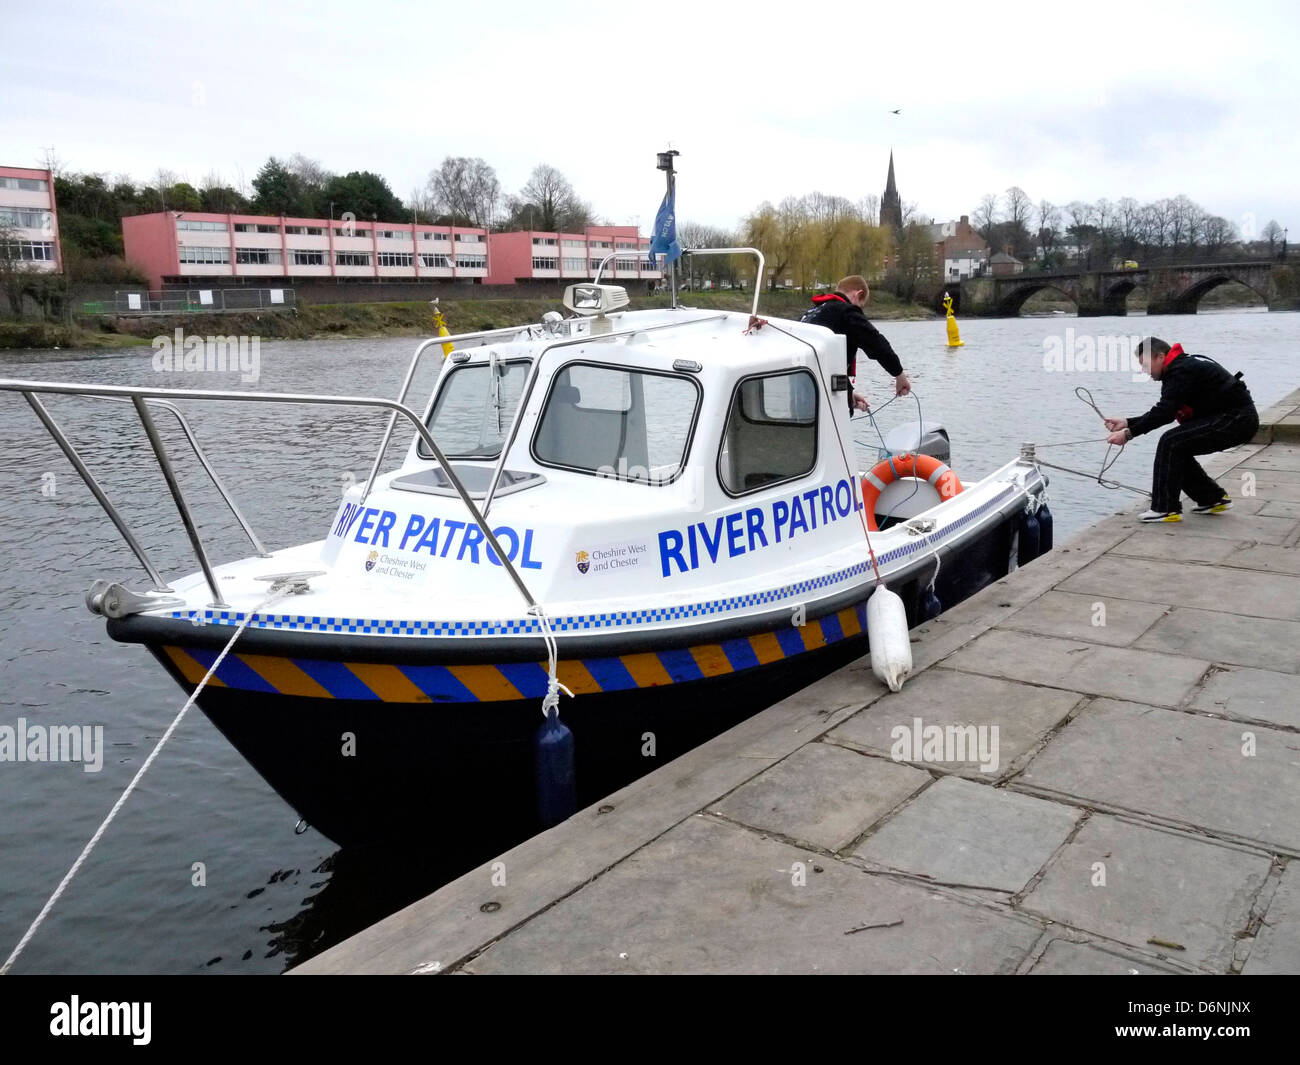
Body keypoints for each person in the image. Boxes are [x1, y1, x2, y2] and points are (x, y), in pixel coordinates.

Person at [1104, 337, 1258, 523]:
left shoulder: (1180, 370)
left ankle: (1165, 509)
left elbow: (1165, 413)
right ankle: (1212, 499)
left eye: (1145, 365)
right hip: (1235, 418)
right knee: (1178, 444)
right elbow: (1167, 409)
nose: (1144, 371)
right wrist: (1127, 422)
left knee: (1171, 442)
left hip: (1236, 420)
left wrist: (1128, 434)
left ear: (1160, 356)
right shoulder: (1179, 368)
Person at [801, 275, 911, 413]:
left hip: (802, 394)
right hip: (820, 400)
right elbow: (876, 343)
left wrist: (849, 395)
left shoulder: (810, 314)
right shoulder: (846, 312)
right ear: (858, 294)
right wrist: (899, 375)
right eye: (861, 305)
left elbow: (826, 363)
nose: (860, 311)